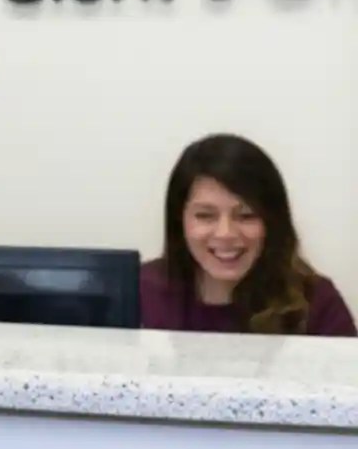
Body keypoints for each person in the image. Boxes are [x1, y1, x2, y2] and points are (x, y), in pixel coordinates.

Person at [139, 133, 356, 337]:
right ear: (180, 219)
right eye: (205, 216)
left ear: (272, 222)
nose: (226, 233)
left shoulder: (316, 302)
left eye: (246, 215)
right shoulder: (140, 292)